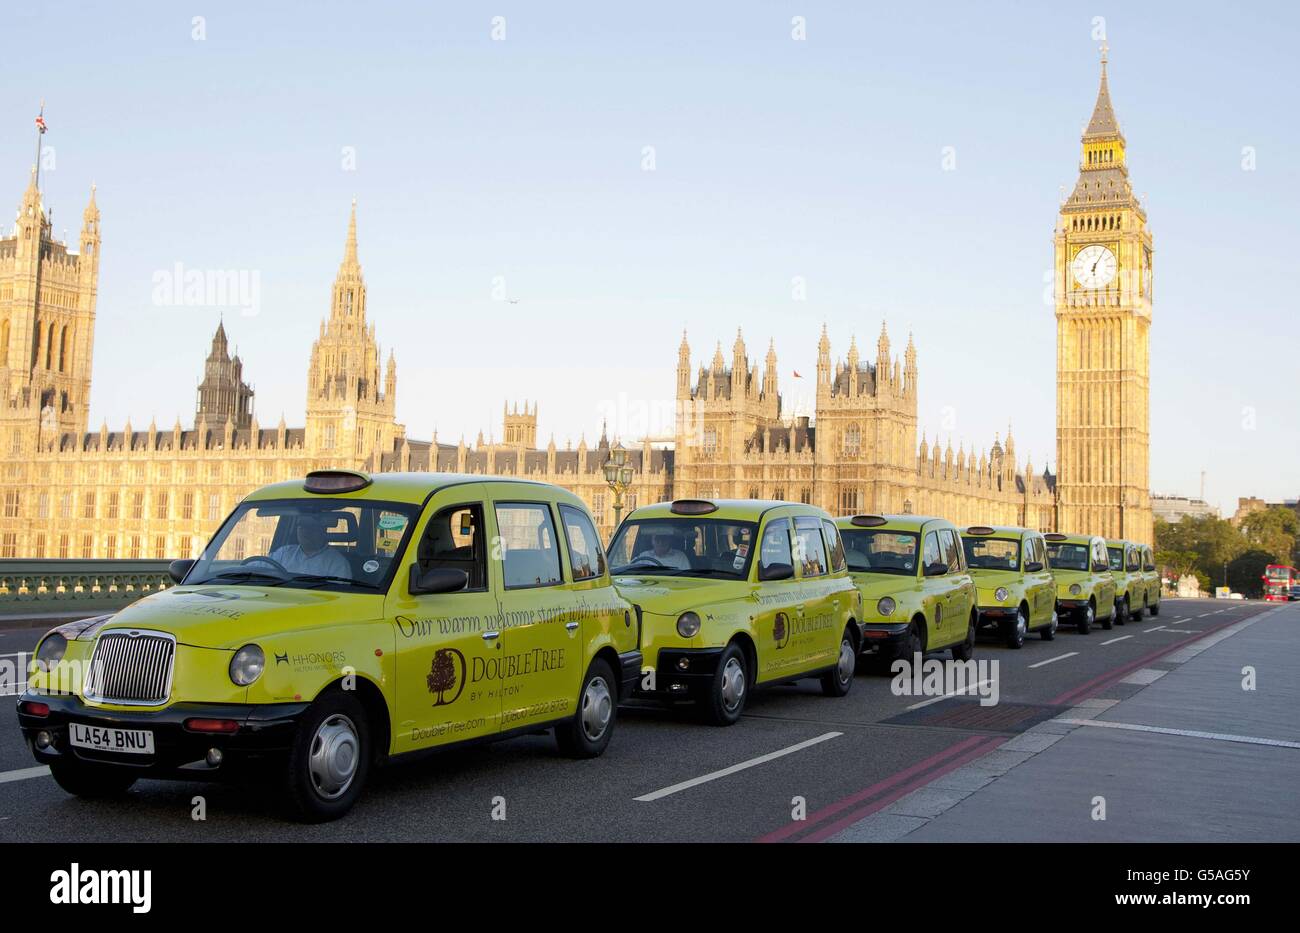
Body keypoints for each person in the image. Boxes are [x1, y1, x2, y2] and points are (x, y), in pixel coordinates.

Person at [269, 514, 352, 578]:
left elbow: (339, 596)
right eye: (302, 526)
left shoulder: (337, 562)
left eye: (311, 527)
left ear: (323, 530)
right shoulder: (283, 553)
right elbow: (258, 569)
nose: (305, 531)